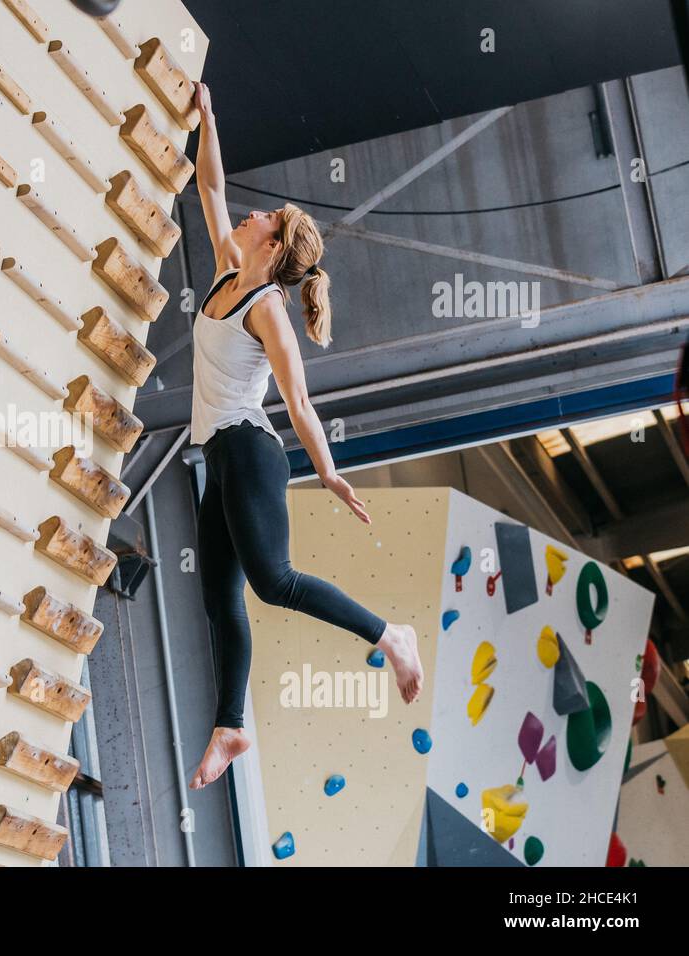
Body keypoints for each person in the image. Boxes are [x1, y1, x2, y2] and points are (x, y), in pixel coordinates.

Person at [187, 82, 424, 790]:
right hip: (220, 456)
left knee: (274, 583)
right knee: (219, 597)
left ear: (274, 243)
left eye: (267, 216)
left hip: (251, 450)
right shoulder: (233, 266)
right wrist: (209, 117)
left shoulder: (268, 309)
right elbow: (210, 185)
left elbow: (298, 401)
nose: (253, 211)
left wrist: (326, 471)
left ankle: (392, 636)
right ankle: (231, 726)